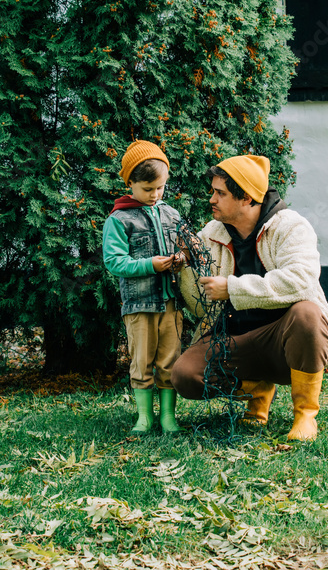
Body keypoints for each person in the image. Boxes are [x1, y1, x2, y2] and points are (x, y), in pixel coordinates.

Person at [171, 155, 328, 441]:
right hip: (235, 338)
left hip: (282, 340)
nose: (211, 199)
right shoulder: (212, 232)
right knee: (184, 377)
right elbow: (199, 304)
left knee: (308, 315)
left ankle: (305, 415)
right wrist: (186, 264)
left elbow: (302, 279)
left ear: (247, 198)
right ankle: (258, 390)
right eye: (213, 191)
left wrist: (233, 287)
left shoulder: (290, 227)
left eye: (220, 193)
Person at [102, 140, 186, 435]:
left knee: (169, 361)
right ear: (130, 183)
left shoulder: (171, 214)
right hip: (139, 306)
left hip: (170, 303)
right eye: (148, 189)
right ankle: (144, 417)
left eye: (160, 188)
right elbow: (114, 262)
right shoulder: (119, 219)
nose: (155, 195)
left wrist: (182, 257)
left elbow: (186, 246)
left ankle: (167, 417)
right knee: (142, 362)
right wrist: (151, 265)